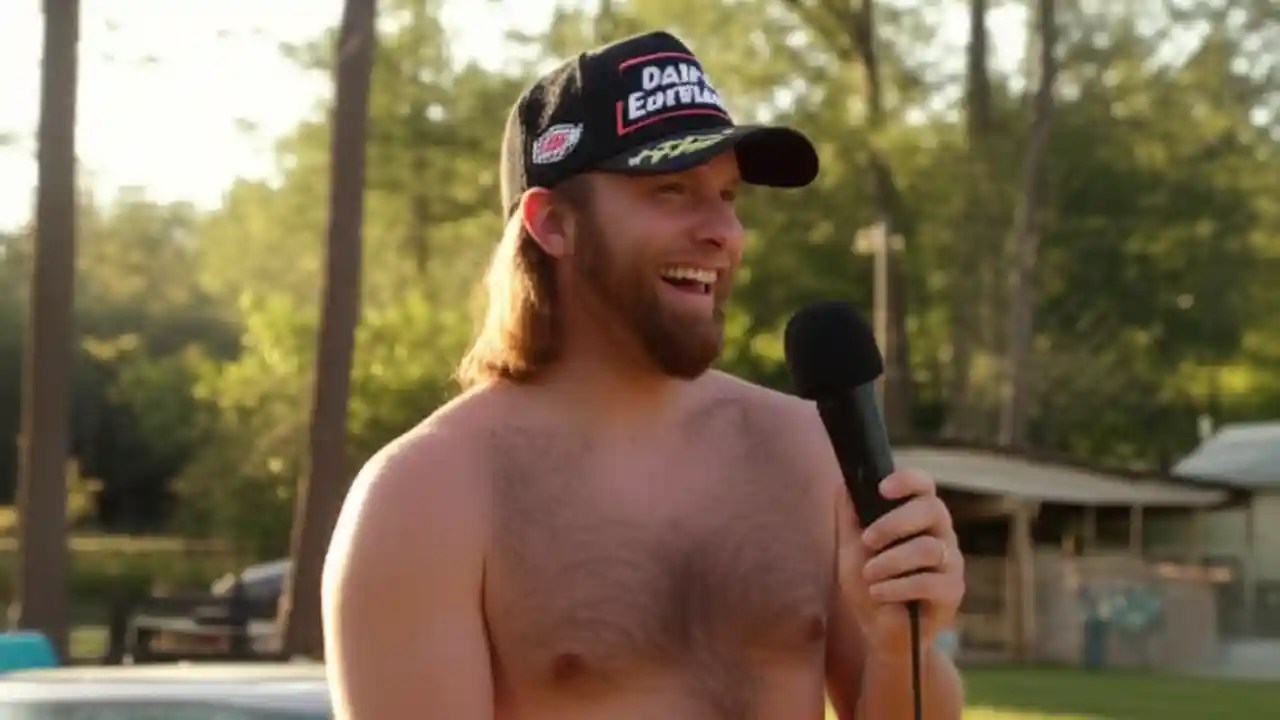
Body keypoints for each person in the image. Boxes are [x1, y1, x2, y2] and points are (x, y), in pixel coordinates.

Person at [322, 30, 966, 720]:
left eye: (729, 195)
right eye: (672, 190)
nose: (724, 231)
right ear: (553, 223)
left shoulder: (806, 448)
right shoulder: (428, 496)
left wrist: (904, 650)